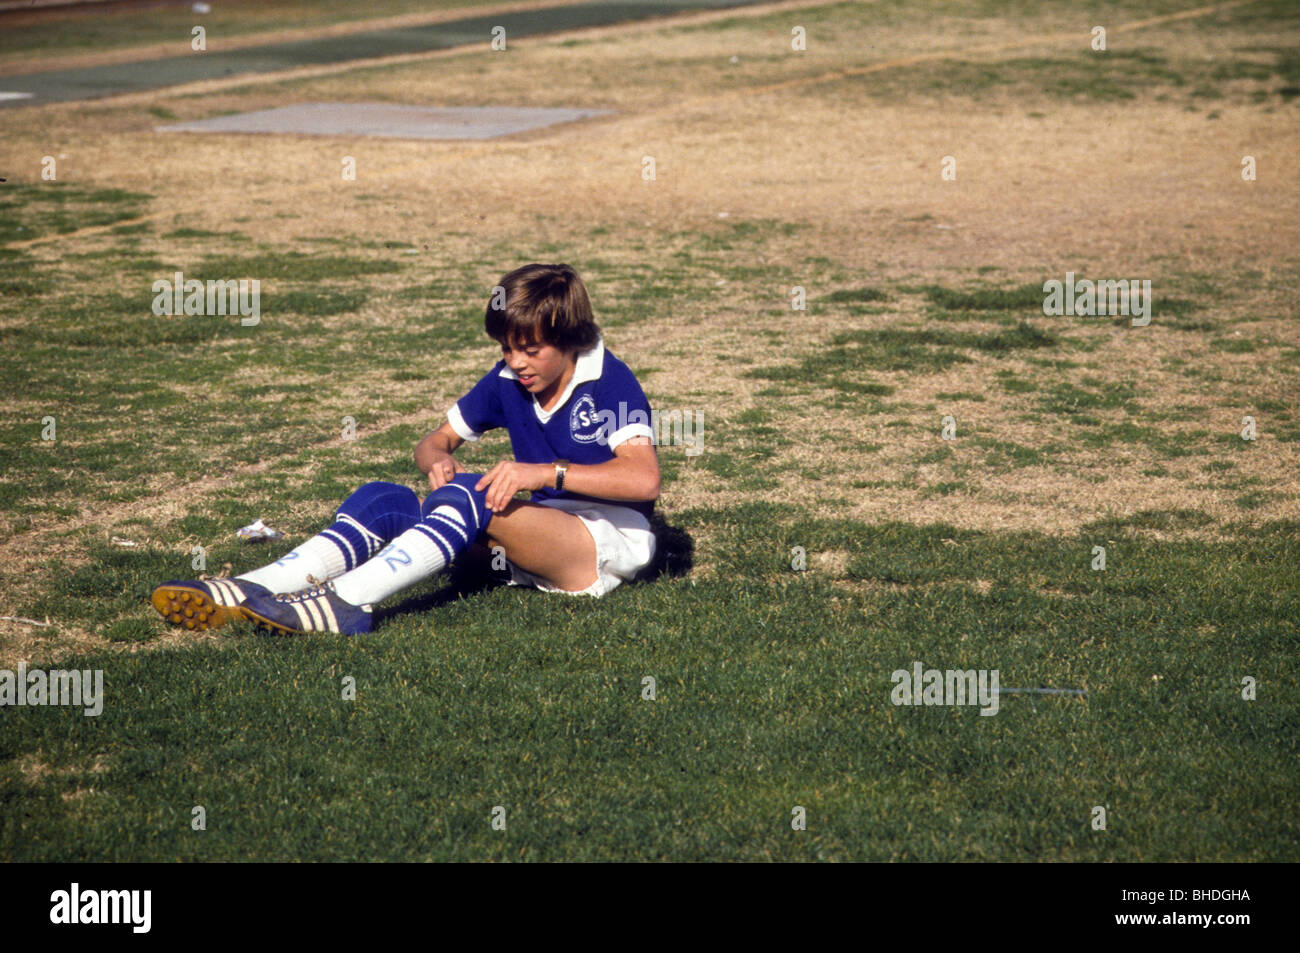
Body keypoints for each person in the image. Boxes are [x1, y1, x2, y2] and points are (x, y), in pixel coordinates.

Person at [150, 263, 661, 635]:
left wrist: (542, 473)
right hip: (531, 537)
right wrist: (438, 458)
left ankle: (344, 603)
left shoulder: (608, 380)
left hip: (604, 540)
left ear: (569, 339)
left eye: (530, 350)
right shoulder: (509, 378)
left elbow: (643, 480)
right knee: (385, 498)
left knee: (469, 494)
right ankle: (254, 585)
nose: (516, 362)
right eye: (506, 348)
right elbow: (434, 441)